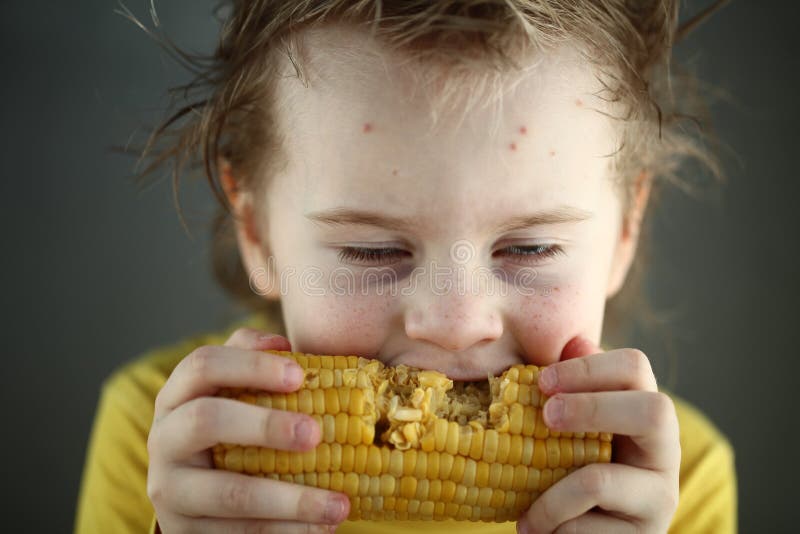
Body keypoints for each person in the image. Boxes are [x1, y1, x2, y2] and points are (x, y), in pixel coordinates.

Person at [75, 1, 736, 533]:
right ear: (257, 230)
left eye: (528, 248)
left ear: (625, 230)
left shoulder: (678, 486)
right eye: (372, 250)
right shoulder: (164, 447)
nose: (453, 325)